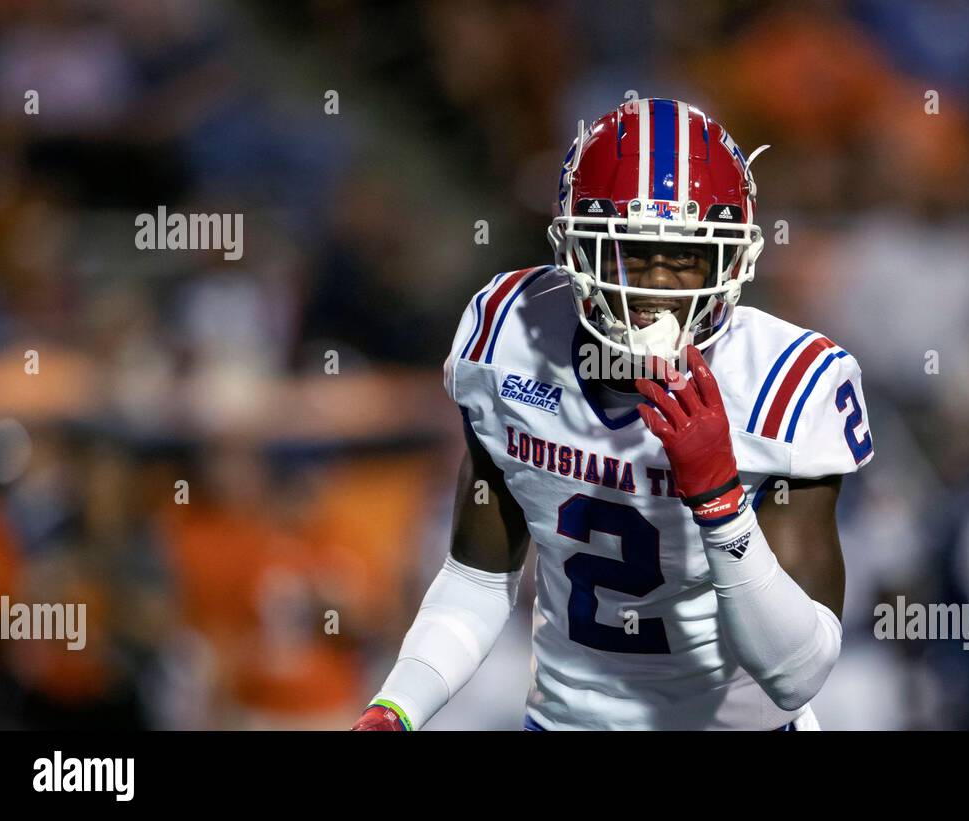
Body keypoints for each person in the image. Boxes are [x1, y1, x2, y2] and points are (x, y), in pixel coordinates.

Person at [353, 98, 873, 730]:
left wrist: (720, 502)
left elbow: (797, 675)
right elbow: (479, 581)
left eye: (683, 256)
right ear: (575, 250)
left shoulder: (786, 386)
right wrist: (397, 707)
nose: (653, 288)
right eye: (629, 251)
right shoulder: (507, 338)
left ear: (732, 262)